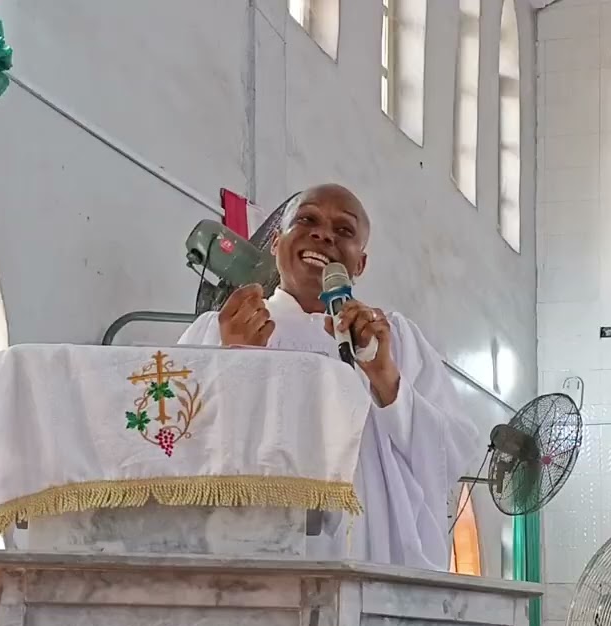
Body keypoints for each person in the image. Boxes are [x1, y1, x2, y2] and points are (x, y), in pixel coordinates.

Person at [178, 184, 478, 570]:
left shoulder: (394, 338)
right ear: (275, 242)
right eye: (306, 220)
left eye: (345, 231)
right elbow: (173, 445)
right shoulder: (222, 328)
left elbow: (450, 452)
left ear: (360, 264)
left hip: (368, 550)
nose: (323, 235)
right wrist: (232, 361)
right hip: (252, 557)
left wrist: (386, 379)